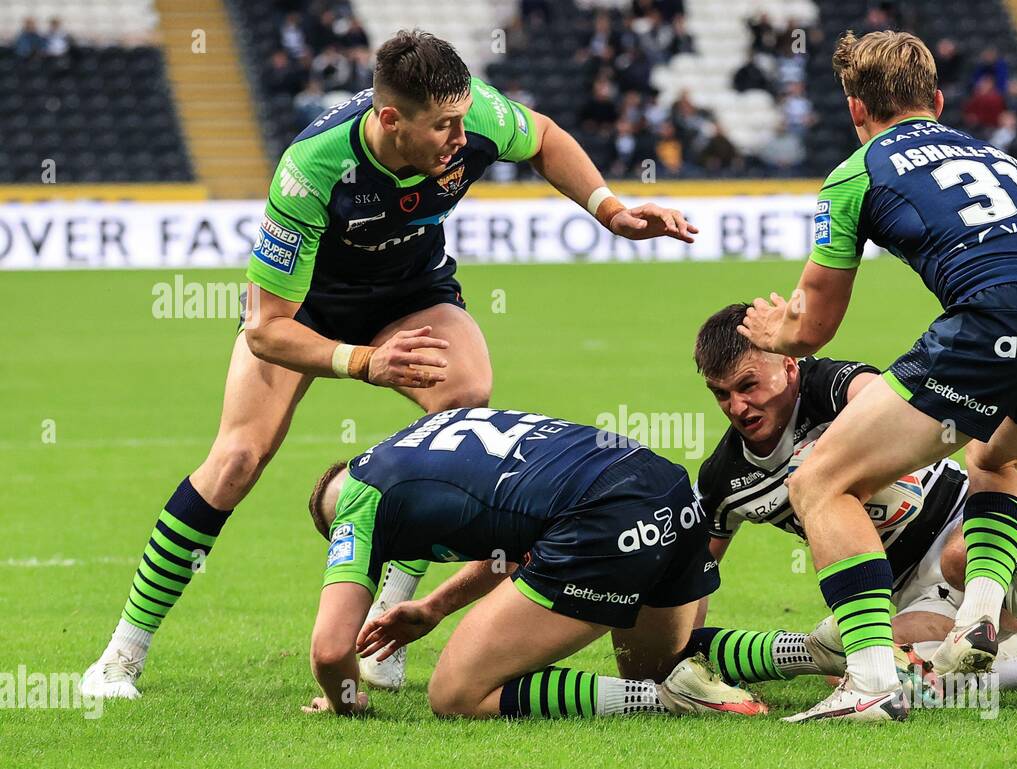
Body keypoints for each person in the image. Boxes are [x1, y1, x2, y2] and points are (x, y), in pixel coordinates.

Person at [80, 30, 697, 700]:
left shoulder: (474, 116)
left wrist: (609, 209)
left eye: (463, 119)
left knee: (465, 398)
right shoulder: (311, 169)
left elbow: (543, 135)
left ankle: (385, 627)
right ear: (390, 119)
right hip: (307, 312)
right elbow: (265, 330)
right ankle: (120, 656)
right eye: (443, 126)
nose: (461, 137)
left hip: (411, 294)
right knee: (236, 459)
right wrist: (364, 362)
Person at [738, 31, 1017, 722]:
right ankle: (977, 616)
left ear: (855, 108)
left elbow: (815, 325)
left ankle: (870, 681)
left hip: (995, 321)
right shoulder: (1003, 159)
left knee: (818, 480)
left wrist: (778, 333)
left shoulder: (857, 170)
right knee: (992, 455)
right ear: (939, 101)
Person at [688, 304, 1017, 703]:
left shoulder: (832, 386)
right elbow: (693, 579)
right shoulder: (725, 478)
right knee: (871, 669)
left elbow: (894, 403)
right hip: (915, 594)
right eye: (721, 395)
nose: (737, 407)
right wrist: (676, 649)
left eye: (749, 385)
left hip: (984, 526)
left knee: (958, 557)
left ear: (788, 364)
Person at [301, 408, 764, 720]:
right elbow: (520, 535)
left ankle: (661, 700)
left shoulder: (357, 505)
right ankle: (810, 648)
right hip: (666, 489)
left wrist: (345, 701)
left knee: (454, 695)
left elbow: (328, 649)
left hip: (603, 517)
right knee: (655, 664)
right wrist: (436, 607)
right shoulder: (431, 432)